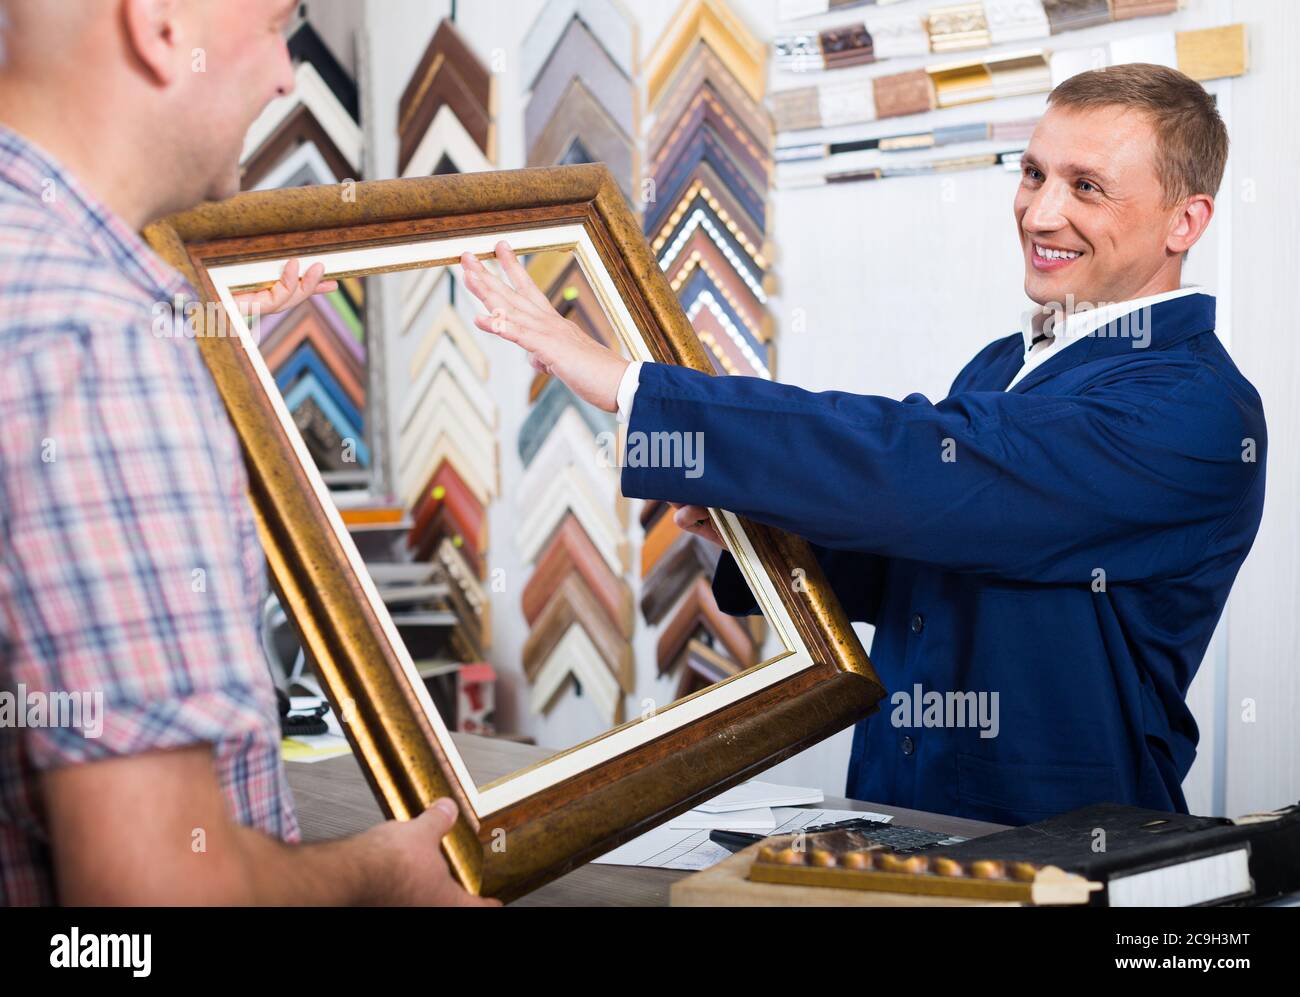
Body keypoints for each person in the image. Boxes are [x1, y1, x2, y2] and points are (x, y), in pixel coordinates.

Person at [460, 63, 1266, 826]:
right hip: (899, 804)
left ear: (1185, 220)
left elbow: (918, 470)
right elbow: (925, 562)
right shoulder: (1003, 363)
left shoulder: (1195, 410)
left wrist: (631, 385)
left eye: (1085, 186)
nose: (1040, 212)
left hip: (1057, 837)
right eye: (1032, 174)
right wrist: (747, 525)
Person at [0, 0, 493, 905]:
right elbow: (154, 895)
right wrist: (383, 875)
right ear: (155, 27)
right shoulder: (99, 348)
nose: (286, 74)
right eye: (275, 24)